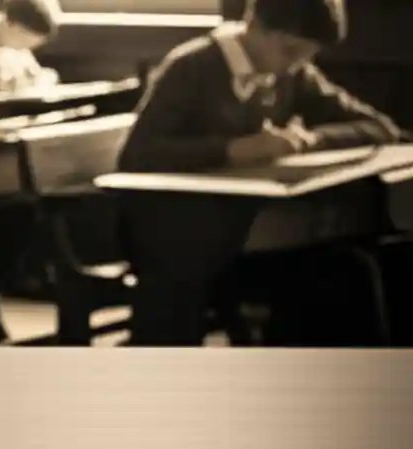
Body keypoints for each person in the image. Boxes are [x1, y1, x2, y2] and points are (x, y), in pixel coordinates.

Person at [115, 0, 409, 346]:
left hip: (248, 233)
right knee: (180, 283)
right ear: (255, 27)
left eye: (307, 56)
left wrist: (310, 140)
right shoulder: (191, 67)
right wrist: (230, 150)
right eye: (290, 51)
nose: (296, 65)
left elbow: (380, 128)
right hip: (174, 234)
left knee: (354, 269)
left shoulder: (292, 74)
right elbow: (136, 156)